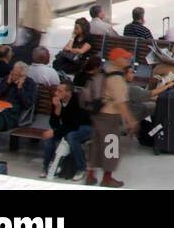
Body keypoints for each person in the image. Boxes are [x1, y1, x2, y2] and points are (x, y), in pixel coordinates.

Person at [87, 47, 136, 188]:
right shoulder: (116, 78)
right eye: (125, 57)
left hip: (98, 114)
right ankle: (107, 179)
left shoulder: (105, 71)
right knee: (111, 148)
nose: (128, 59)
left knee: (96, 145)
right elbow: (120, 103)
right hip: (110, 117)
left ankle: (90, 176)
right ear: (117, 60)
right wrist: (130, 120)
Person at [41, 82, 92, 180]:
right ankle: (46, 166)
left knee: (72, 137)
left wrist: (55, 132)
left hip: (85, 126)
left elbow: (75, 124)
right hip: (69, 126)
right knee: (49, 138)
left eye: (60, 91)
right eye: (56, 90)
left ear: (69, 93)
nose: (56, 93)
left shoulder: (77, 100)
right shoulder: (57, 101)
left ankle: (81, 168)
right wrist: (57, 108)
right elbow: (54, 124)